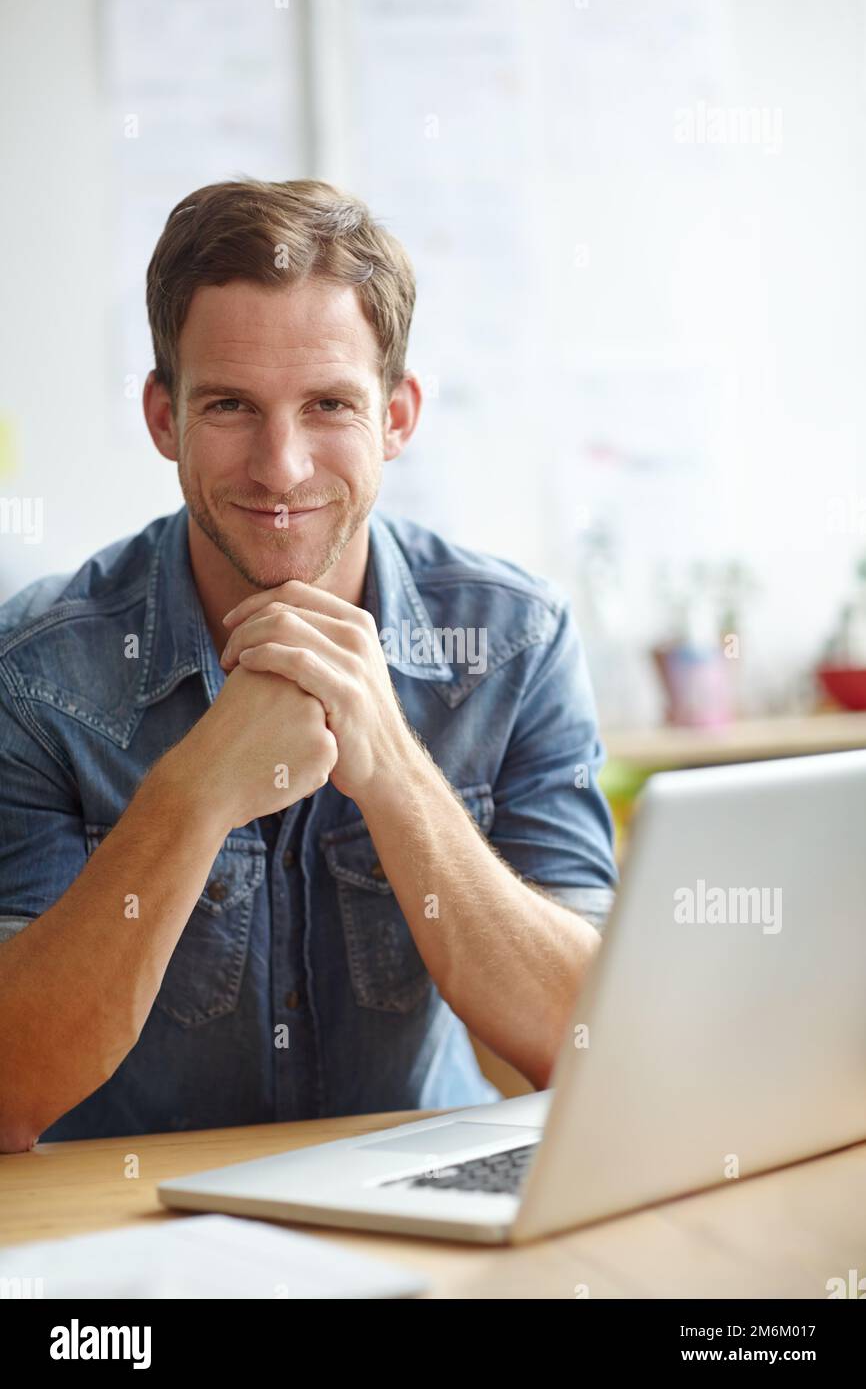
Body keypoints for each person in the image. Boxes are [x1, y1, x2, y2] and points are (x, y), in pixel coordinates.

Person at [0, 179, 617, 1150]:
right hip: (130, 1233)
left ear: (397, 417)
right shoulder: (38, 670)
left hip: (419, 1206)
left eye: (328, 403)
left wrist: (394, 772)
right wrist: (194, 792)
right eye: (231, 405)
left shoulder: (515, 642)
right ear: (164, 418)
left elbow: (591, 1051)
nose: (280, 466)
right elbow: (8, 1090)